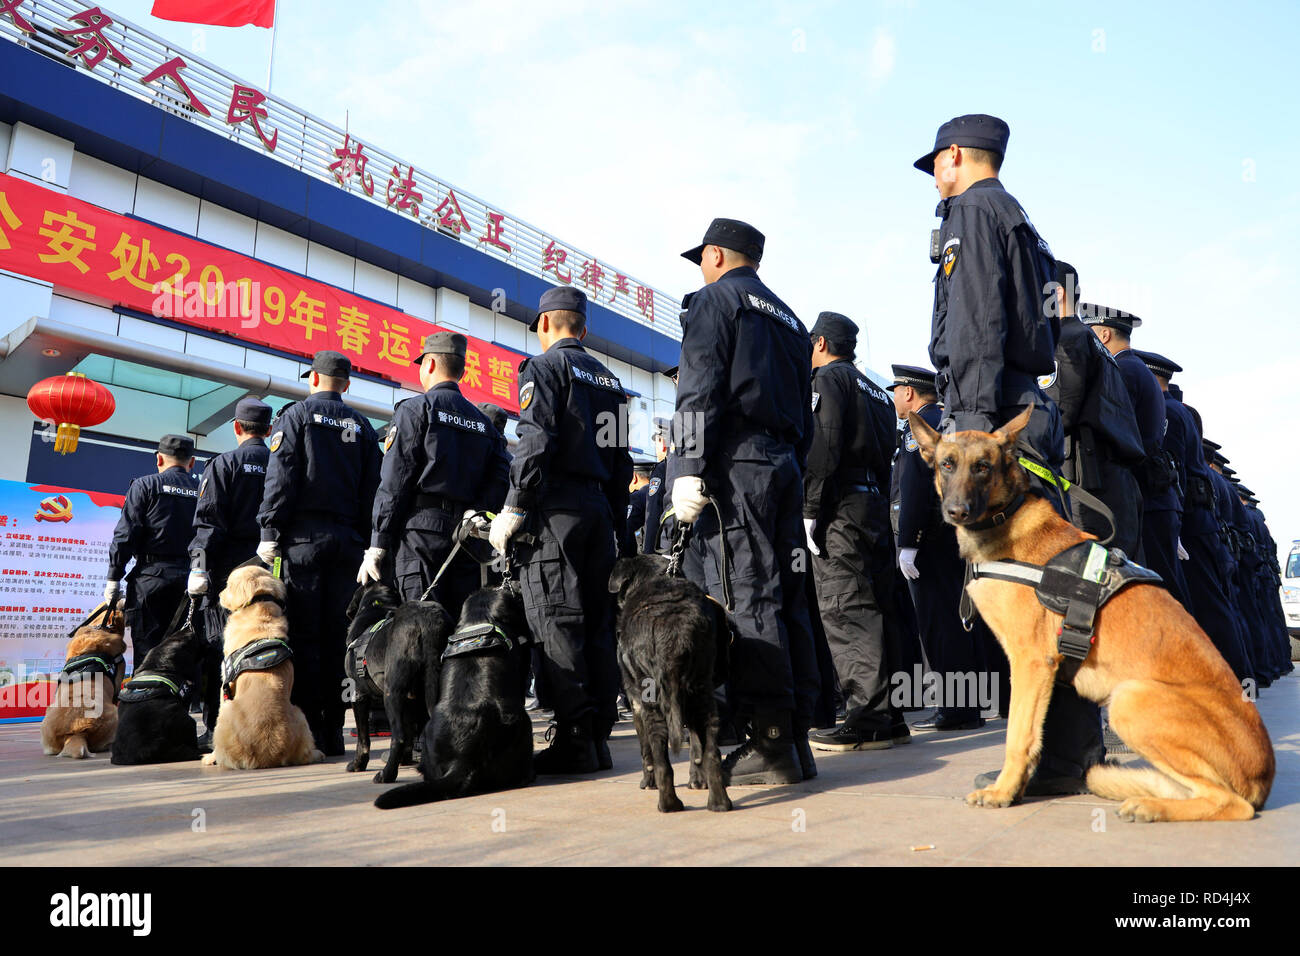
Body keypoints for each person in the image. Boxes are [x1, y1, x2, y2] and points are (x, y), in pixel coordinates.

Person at [916, 114, 1103, 796]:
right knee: (1065, 594)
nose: (934, 178)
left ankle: (1047, 759)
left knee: (1024, 600)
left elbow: (975, 327)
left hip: (991, 416)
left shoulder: (968, 210)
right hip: (1029, 408)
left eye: (935, 163)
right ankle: (1071, 753)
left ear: (957, 155)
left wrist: (970, 428)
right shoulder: (1023, 220)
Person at [667, 217, 820, 786]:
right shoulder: (790, 318)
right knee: (787, 600)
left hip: (737, 468)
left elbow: (698, 388)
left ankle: (770, 743)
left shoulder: (715, 301)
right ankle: (795, 736)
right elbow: (805, 418)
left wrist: (686, 467)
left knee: (744, 598)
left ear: (714, 255)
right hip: (782, 465)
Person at [489, 287, 632, 774]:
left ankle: (575, 739)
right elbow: (619, 461)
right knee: (596, 624)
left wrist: (515, 505)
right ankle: (597, 739)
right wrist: (618, 523)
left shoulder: (543, 368)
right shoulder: (610, 381)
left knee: (557, 622)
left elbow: (536, 440)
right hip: (598, 512)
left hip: (556, 512)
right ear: (584, 329)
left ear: (545, 325)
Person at [256, 350, 382, 755]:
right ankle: (335, 732)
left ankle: (308, 731)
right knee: (340, 637)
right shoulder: (361, 427)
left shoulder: (294, 418)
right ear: (346, 384)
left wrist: (269, 529)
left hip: (304, 543)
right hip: (347, 544)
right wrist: (369, 542)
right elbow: (373, 492)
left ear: (313, 380)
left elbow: (282, 477)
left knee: (306, 636)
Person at [802, 313, 907, 751]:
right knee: (878, 604)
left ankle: (868, 715)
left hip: (839, 506)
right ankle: (890, 713)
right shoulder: (876, 393)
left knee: (847, 607)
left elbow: (824, 445)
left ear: (822, 343)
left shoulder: (828, 380)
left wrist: (810, 508)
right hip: (871, 504)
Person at [360, 332, 510, 619]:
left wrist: (378, 541)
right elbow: (501, 476)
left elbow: (395, 480)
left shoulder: (416, 409)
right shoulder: (483, 424)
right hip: (465, 537)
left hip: (420, 534)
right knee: (456, 626)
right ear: (461, 370)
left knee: (420, 625)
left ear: (428, 365)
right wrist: (478, 511)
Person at [1134, 353, 1253, 680]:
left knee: (1206, 606)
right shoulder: (1180, 411)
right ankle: (1237, 682)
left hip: (1188, 520)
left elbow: (1171, 468)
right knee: (1213, 605)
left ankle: (1228, 683)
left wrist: (1177, 526)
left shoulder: (1167, 411)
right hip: (1197, 521)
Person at [889, 364, 991, 730]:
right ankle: (971, 705)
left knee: (939, 625)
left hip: (930, 543)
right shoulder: (953, 427)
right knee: (962, 621)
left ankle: (955, 711)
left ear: (911, 393)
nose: (896, 397)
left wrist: (908, 543)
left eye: (898, 390)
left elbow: (915, 492)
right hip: (956, 537)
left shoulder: (922, 434)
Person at [1080, 307, 1192, 609]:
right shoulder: (1137, 369)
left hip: (1140, 488)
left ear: (1104, 334)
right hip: (1153, 491)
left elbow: (1115, 428)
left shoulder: (1122, 370)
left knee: (1158, 590)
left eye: (1089, 334)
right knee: (1163, 584)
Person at [1042, 263, 1146, 558]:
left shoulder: (1066, 340)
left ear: (1057, 293)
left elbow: (1057, 414)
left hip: (1084, 483)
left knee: (1087, 581)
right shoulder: (1092, 343)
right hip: (1109, 481)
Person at [186, 398, 272, 748]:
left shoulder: (224, 464)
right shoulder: (284, 462)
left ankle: (217, 727)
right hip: (271, 569)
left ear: (236, 427)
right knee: (267, 645)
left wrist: (198, 567)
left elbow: (208, 523)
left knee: (220, 650)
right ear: (269, 431)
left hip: (228, 574)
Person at [106, 434, 201, 670]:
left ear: (158, 459)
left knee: (147, 651)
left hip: (150, 580)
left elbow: (125, 535)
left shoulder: (145, 485)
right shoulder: (203, 490)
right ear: (192, 462)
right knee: (185, 651)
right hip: (192, 581)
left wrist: (113, 578)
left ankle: (144, 701)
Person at [620, 463, 654, 558]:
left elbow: (628, 528)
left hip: (640, 560)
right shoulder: (661, 493)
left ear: (634, 477)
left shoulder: (636, 497)